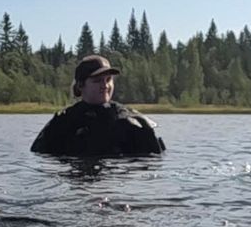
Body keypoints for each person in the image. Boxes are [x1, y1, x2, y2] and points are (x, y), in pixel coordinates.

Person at [30, 55, 165, 157]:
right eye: (97, 81)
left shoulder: (132, 121)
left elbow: (153, 160)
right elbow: (40, 155)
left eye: (108, 80)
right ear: (81, 85)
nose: (105, 85)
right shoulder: (63, 122)